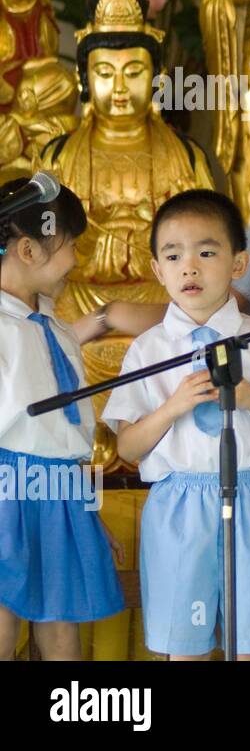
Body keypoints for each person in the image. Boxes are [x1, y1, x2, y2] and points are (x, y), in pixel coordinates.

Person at [103, 190, 250, 659]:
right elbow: (127, 446)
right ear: (157, 269)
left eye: (207, 252)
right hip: (178, 502)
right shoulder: (147, 349)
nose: (189, 267)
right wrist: (173, 407)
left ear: (238, 262)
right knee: (183, 646)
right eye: (174, 255)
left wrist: (249, 397)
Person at [0, 180, 123, 659]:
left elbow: (74, 434)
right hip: (8, 487)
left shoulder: (58, 329)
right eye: (70, 245)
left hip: (61, 490)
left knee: (61, 629)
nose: (76, 259)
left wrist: (87, 510)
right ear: (28, 249)